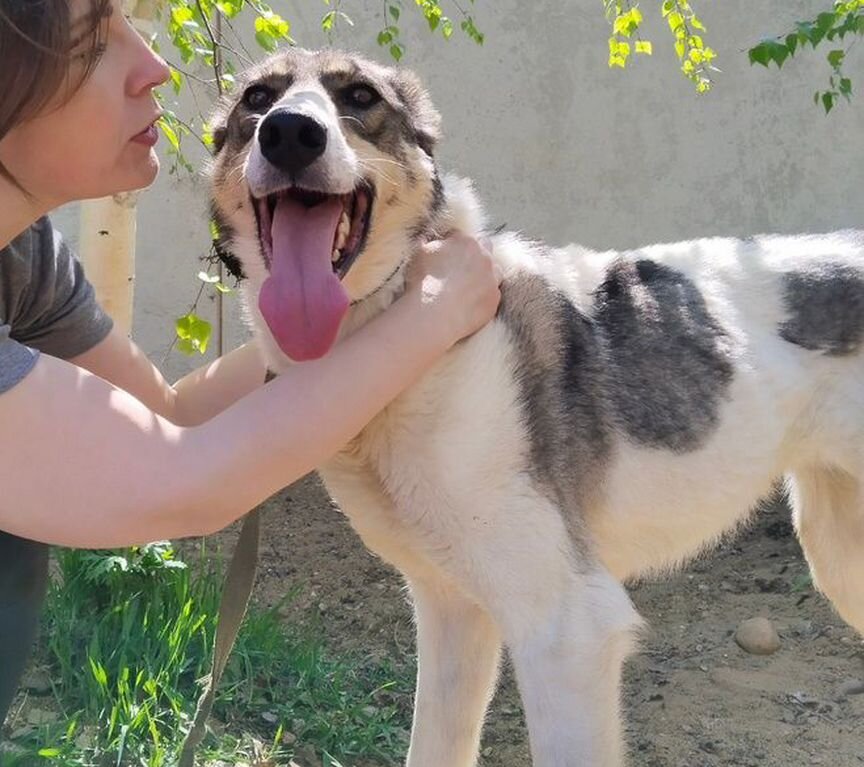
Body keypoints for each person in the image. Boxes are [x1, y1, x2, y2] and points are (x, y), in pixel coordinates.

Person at [0, 0, 501, 727]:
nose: (155, 67)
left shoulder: (22, 256)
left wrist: (364, 313)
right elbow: (180, 483)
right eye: (93, 44)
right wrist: (434, 316)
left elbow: (165, 415)